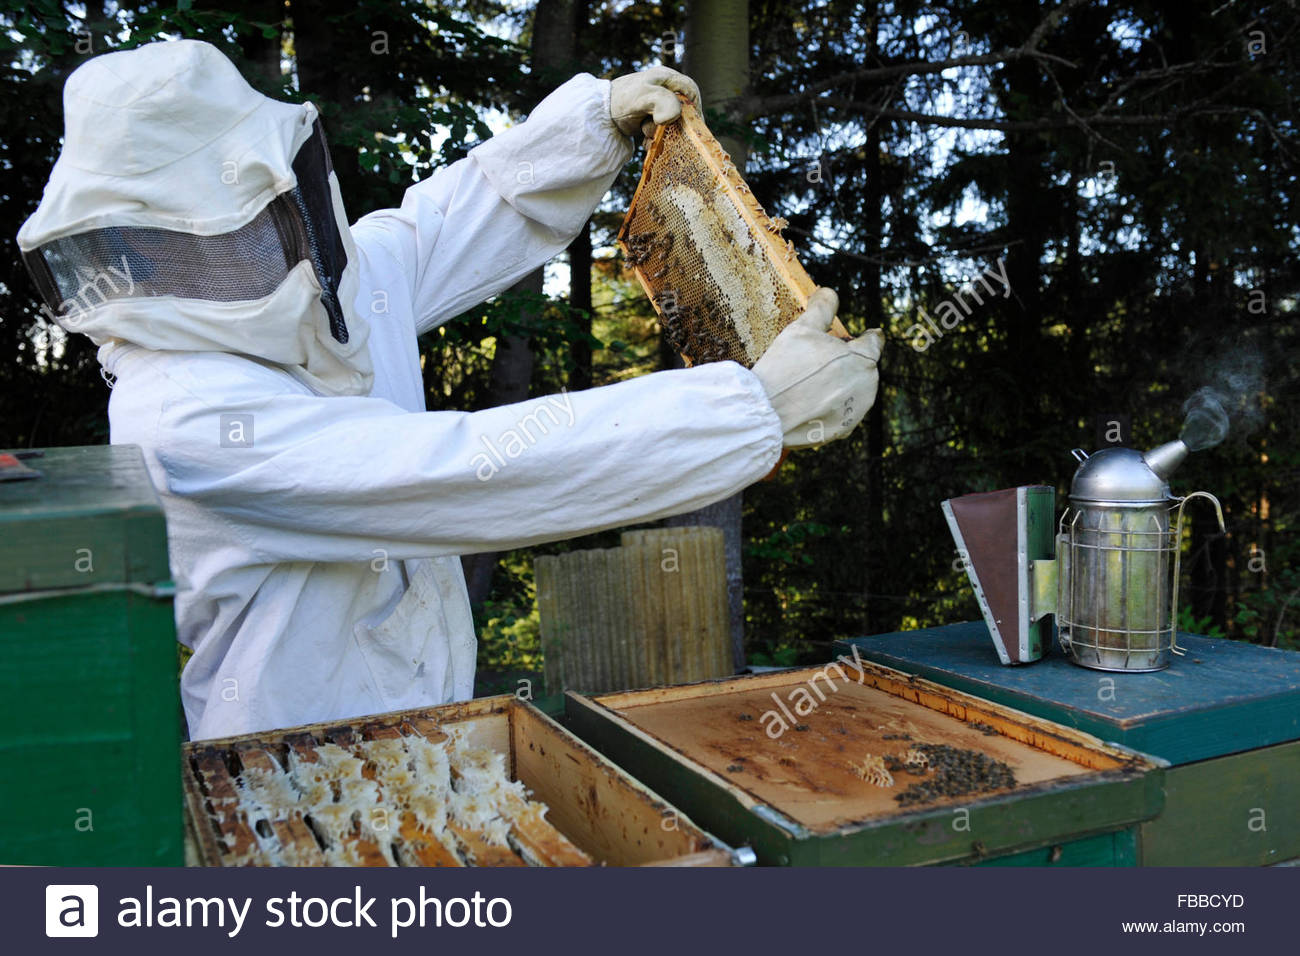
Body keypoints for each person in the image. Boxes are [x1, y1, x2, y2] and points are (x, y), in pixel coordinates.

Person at [18, 40, 883, 740]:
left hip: (431, 729)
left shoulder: (326, 287)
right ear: (132, 254)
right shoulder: (180, 416)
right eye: (186, 243)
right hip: (292, 766)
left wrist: (595, 121)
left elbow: (442, 222)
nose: (220, 256)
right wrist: (749, 409)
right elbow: (455, 469)